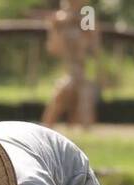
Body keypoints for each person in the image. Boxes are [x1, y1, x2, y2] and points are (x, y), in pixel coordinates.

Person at [41, 0, 100, 128]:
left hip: (82, 72)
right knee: (58, 100)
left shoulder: (86, 16)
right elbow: (54, 49)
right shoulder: (59, 20)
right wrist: (54, 28)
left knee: (84, 102)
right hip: (68, 71)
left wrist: (77, 22)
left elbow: (92, 47)